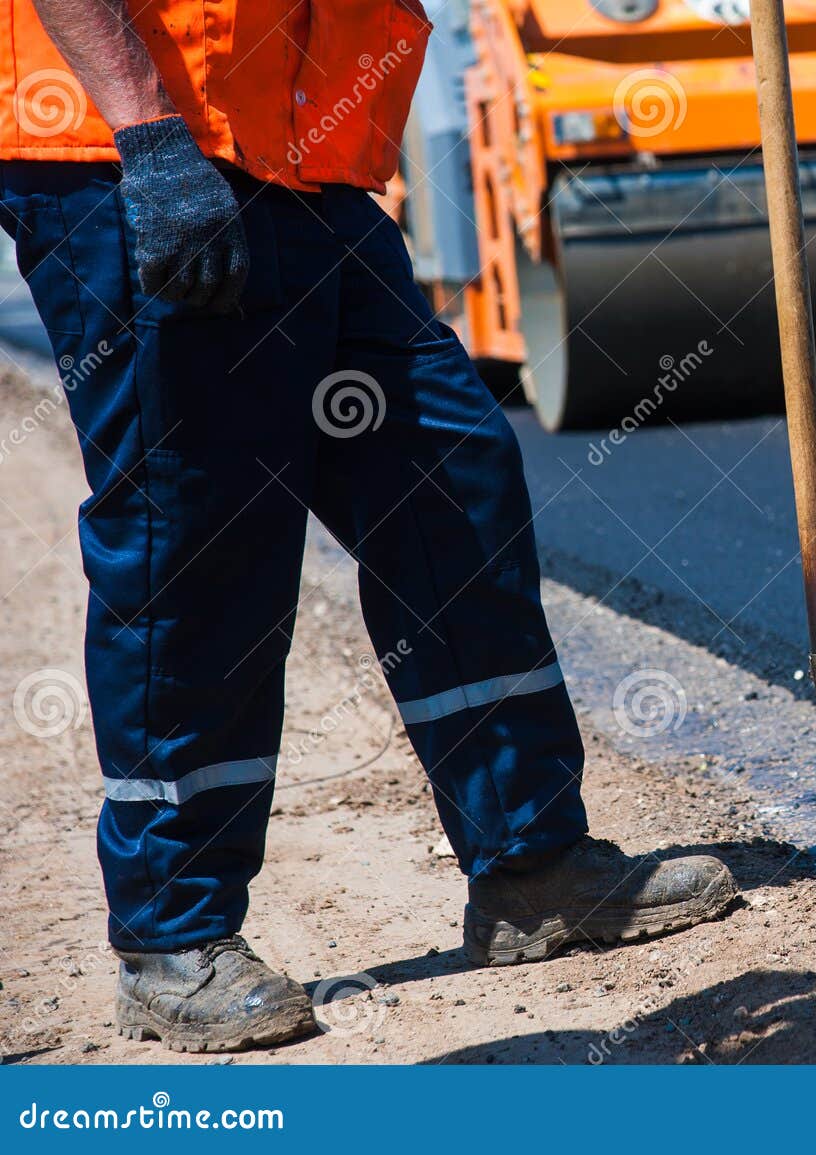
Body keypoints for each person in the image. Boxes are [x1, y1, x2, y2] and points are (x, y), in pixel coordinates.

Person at [0, 0, 734, 1054]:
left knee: (446, 476)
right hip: (132, 152)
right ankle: (173, 940)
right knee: (197, 539)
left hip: (299, 162)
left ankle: (528, 866)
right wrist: (149, 130)